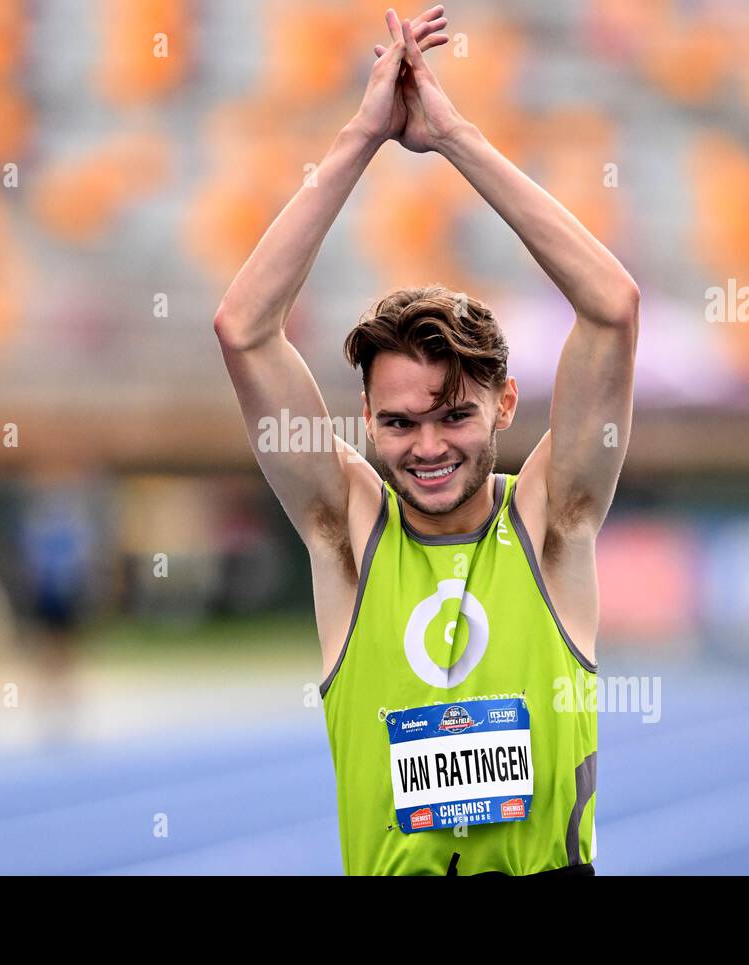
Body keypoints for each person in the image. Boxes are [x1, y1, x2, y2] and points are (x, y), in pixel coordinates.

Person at [213, 5, 638, 875]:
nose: (427, 446)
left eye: (454, 413)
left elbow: (612, 307)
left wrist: (455, 137)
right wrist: (361, 137)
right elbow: (244, 330)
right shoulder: (346, 534)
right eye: (398, 422)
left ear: (506, 404)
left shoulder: (556, 522)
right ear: (366, 422)